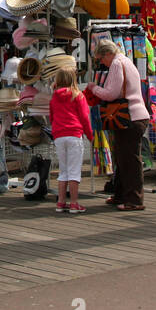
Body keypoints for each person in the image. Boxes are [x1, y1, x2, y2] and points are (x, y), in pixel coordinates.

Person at [85, 39, 149, 211]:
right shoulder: (126, 61)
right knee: (123, 158)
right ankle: (121, 194)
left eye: (101, 59)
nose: (102, 63)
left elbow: (111, 93)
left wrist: (93, 88)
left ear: (107, 54)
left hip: (129, 117)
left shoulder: (116, 64)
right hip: (135, 116)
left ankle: (134, 200)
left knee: (128, 160)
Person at [49, 67, 93, 213]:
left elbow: (52, 117)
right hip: (74, 134)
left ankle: (61, 202)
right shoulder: (78, 95)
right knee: (74, 170)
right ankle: (74, 203)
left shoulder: (54, 97)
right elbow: (84, 117)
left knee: (63, 170)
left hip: (59, 136)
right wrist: (90, 135)